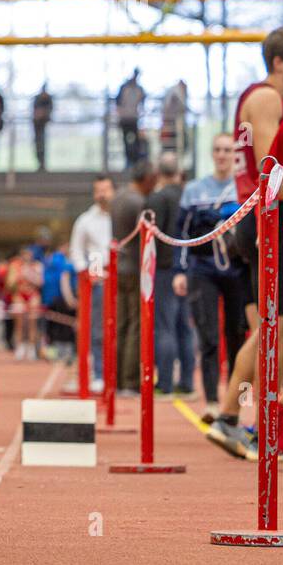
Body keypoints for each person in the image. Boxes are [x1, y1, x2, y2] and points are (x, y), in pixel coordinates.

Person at [206, 26, 283, 458]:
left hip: (264, 218)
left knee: (276, 327)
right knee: (274, 328)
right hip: (265, 218)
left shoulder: (269, 99)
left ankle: (242, 421)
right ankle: (247, 423)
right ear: (281, 61)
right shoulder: (267, 98)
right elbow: (271, 168)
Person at [174, 133, 246, 417]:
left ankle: (233, 405)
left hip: (237, 270)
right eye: (217, 149)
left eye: (227, 150)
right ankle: (212, 403)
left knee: (237, 335)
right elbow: (181, 232)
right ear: (211, 153)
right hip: (202, 269)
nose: (222, 155)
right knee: (208, 337)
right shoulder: (194, 190)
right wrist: (180, 271)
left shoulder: (245, 188)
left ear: (235, 154)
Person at [146, 153, 194, 397]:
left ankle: (164, 383)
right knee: (185, 326)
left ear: (158, 171)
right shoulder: (190, 195)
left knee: (165, 327)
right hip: (188, 268)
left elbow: (152, 237)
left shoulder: (157, 198)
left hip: (165, 269)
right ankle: (187, 382)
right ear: (179, 171)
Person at [111, 161, 158, 394]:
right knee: (135, 325)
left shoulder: (118, 197)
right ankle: (129, 382)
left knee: (121, 324)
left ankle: (116, 379)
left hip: (119, 267)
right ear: (147, 179)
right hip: (134, 269)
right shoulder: (139, 203)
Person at [68, 174, 114, 387]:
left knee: (124, 326)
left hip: (123, 273)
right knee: (98, 327)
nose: (102, 194)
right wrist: (86, 272)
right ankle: (99, 373)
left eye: (106, 189)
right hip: (97, 272)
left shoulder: (123, 215)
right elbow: (76, 251)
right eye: (99, 190)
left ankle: (122, 375)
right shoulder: (85, 220)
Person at [40, 241, 77, 361]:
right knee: (63, 326)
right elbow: (64, 279)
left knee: (53, 326)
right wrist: (69, 298)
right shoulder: (63, 260)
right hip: (60, 298)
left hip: (49, 297)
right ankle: (62, 352)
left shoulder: (49, 259)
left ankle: (55, 351)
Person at [5, 246, 43, 359]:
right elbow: (9, 284)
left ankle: (31, 348)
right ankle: (20, 346)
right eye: (24, 254)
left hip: (32, 295)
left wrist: (29, 275)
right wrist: (18, 276)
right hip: (19, 294)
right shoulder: (15, 266)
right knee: (19, 324)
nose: (26, 257)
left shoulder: (37, 265)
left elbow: (40, 282)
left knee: (32, 323)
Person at [115, 69, 146, 169]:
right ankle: (128, 162)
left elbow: (143, 102)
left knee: (136, 142)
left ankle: (135, 162)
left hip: (134, 119)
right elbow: (118, 103)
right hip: (125, 119)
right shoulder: (124, 88)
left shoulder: (139, 89)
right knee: (126, 141)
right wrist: (119, 116)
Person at [160, 79, 188, 158]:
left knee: (177, 143)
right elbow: (182, 106)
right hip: (170, 120)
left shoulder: (174, 90)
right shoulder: (176, 91)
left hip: (171, 120)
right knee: (170, 143)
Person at [32, 83, 53, 171]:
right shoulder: (37, 98)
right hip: (37, 124)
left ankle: (42, 162)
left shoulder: (48, 99)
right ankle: (40, 161)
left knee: (42, 142)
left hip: (43, 123)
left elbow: (50, 108)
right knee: (38, 143)